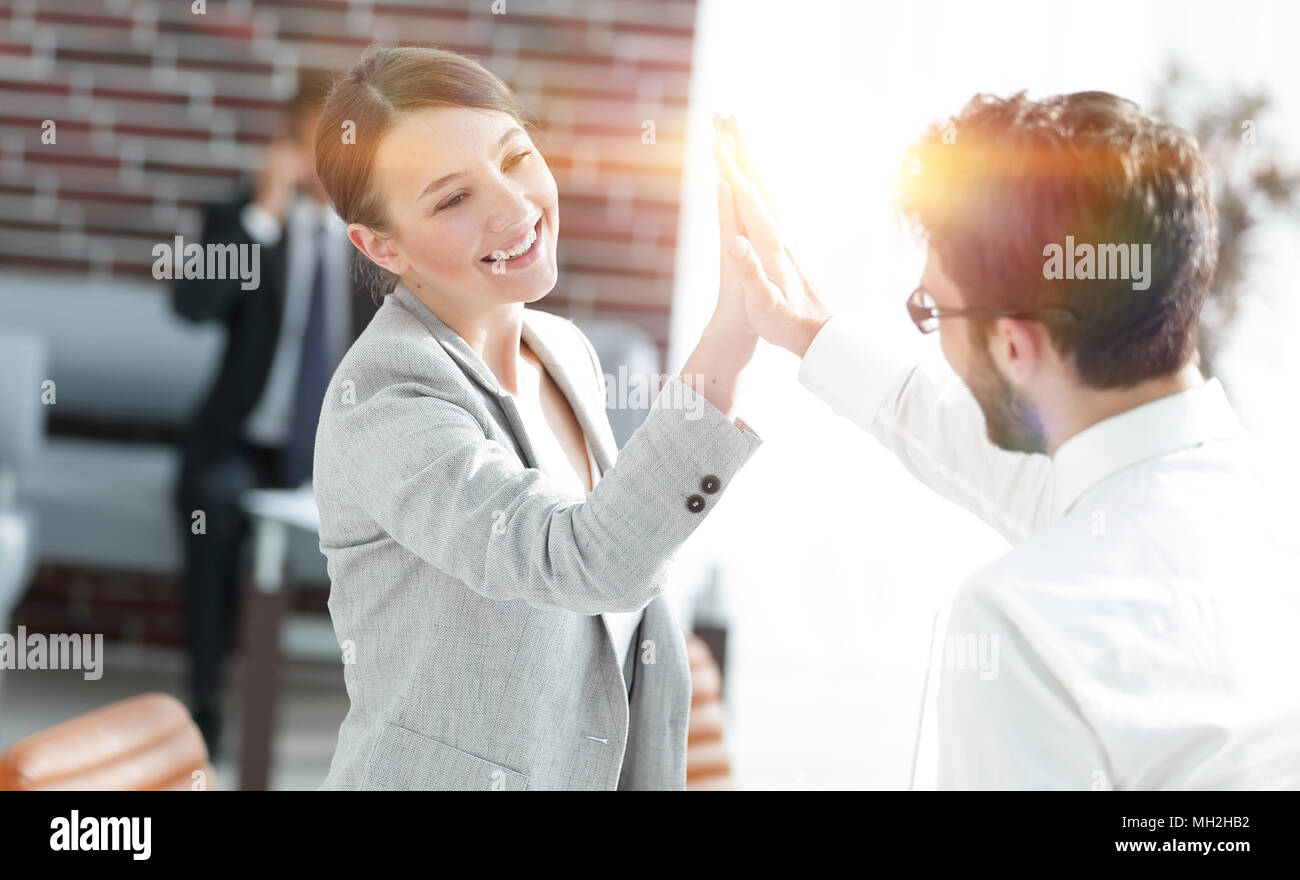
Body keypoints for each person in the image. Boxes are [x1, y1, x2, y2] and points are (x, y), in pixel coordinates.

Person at [715, 93, 1300, 788]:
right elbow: (976, 448)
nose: (929, 327)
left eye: (930, 308)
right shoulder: (1260, 504)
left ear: (1017, 346)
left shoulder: (1020, 628)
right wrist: (809, 332)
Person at [311, 46, 761, 790]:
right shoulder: (388, 397)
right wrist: (732, 334)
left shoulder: (562, 348)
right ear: (381, 245)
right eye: (453, 199)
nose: (515, 208)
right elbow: (587, 562)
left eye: (515, 157)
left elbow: (623, 561)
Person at [171, 69, 379, 759]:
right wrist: (263, 212)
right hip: (240, 442)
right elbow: (191, 307)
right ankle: (206, 704)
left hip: (342, 450)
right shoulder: (244, 221)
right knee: (212, 505)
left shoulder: (374, 238)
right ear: (287, 145)